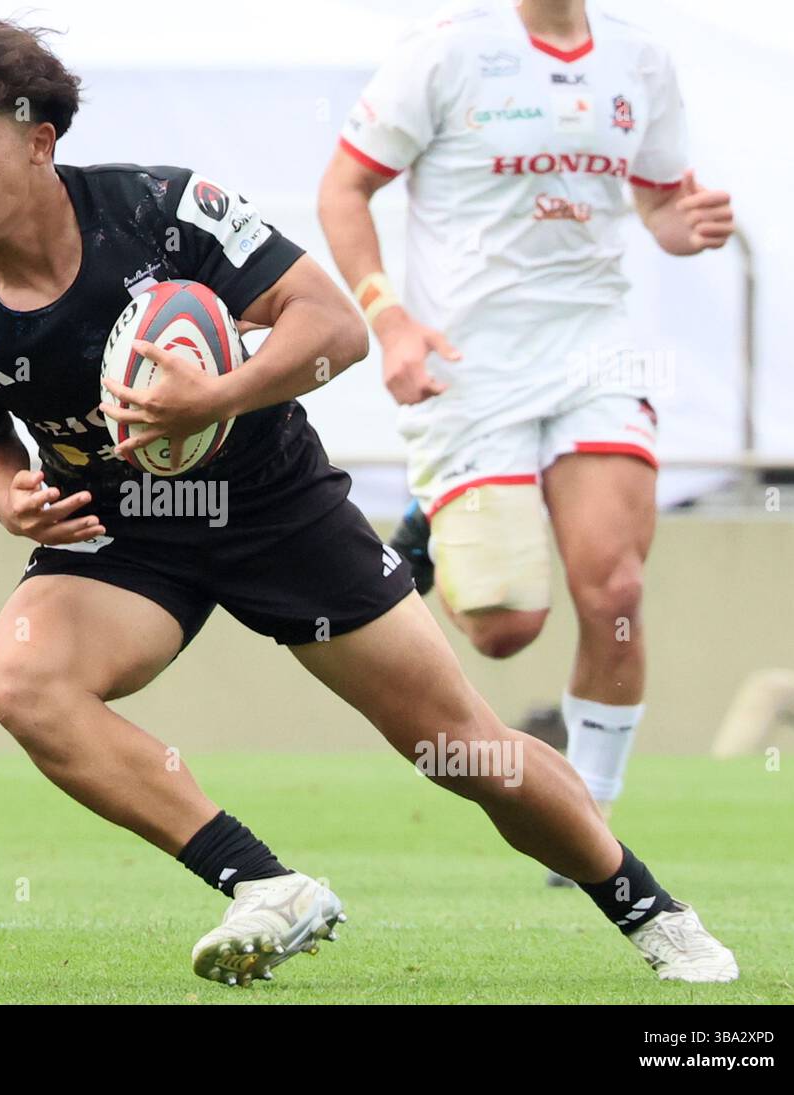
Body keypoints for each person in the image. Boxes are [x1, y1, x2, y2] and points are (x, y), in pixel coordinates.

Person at [0, 7, 737, 985]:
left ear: (40, 142)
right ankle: (263, 885)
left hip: (273, 504)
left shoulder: (161, 211)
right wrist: (8, 500)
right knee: (24, 684)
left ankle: (647, 908)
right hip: (120, 536)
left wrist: (216, 396)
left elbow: (331, 327)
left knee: (460, 751)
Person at [318, 0, 735, 878]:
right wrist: (389, 321)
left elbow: (659, 203)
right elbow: (342, 189)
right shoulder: (444, 53)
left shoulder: (640, 59)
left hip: (597, 352)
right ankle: (438, 511)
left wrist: (683, 229)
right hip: (469, 364)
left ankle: (589, 815)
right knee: (506, 626)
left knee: (615, 587)